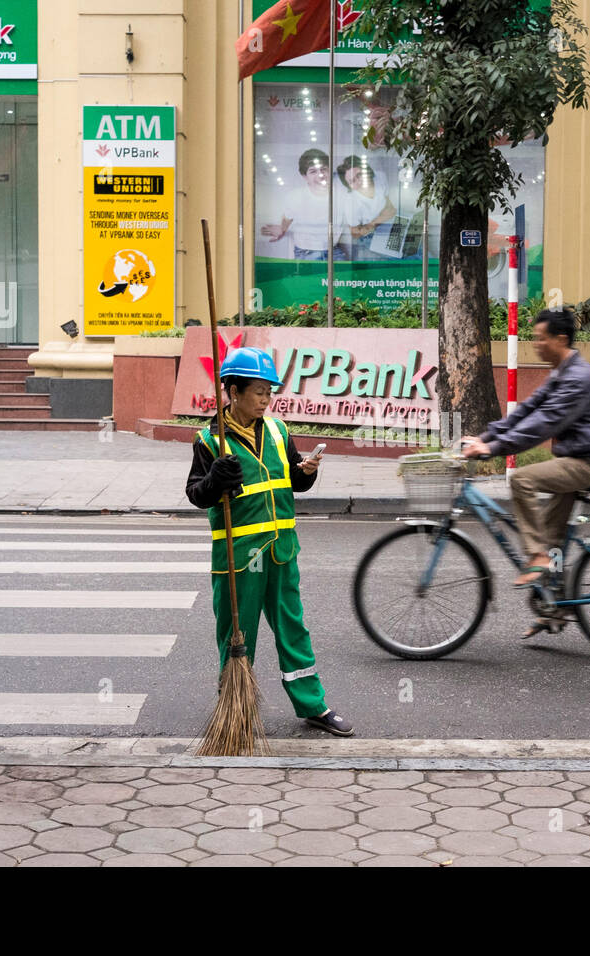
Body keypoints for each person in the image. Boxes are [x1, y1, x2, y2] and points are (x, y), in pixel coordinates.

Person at [184, 347, 353, 737]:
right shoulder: (210, 441)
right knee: (236, 635)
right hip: (240, 558)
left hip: (281, 552)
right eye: (258, 391)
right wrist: (215, 480)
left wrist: (305, 472)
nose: (265, 399)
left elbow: (292, 480)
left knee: (294, 629)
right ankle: (235, 708)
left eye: (268, 391)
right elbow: (196, 494)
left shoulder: (278, 431)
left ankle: (313, 705)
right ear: (232, 391)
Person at [462, 309, 590, 589]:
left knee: (523, 480)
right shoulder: (563, 372)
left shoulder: (577, 379)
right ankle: (555, 605)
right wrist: (484, 438)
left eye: (540, 338)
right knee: (552, 537)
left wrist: (492, 448)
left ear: (560, 340)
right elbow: (527, 410)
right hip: (578, 456)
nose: (535, 344)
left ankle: (537, 557)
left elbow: (541, 424)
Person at [260, 149, 346, 261]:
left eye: (324, 169)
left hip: (334, 251)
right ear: (304, 176)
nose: (320, 175)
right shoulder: (295, 196)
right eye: (313, 171)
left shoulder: (342, 195)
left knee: (342, 278)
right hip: (305, 252)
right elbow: (287, 218)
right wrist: (282, 229)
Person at [336, 155, 395, 260]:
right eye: (352, 181)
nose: (358, 181)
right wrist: (379, 220)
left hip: (390, 227)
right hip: (369, 238)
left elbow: (391, 210)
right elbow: (356, 233)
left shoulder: (379, 177)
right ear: (348, 185)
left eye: (359, 175)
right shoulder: (351, 202)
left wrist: (371, 224)